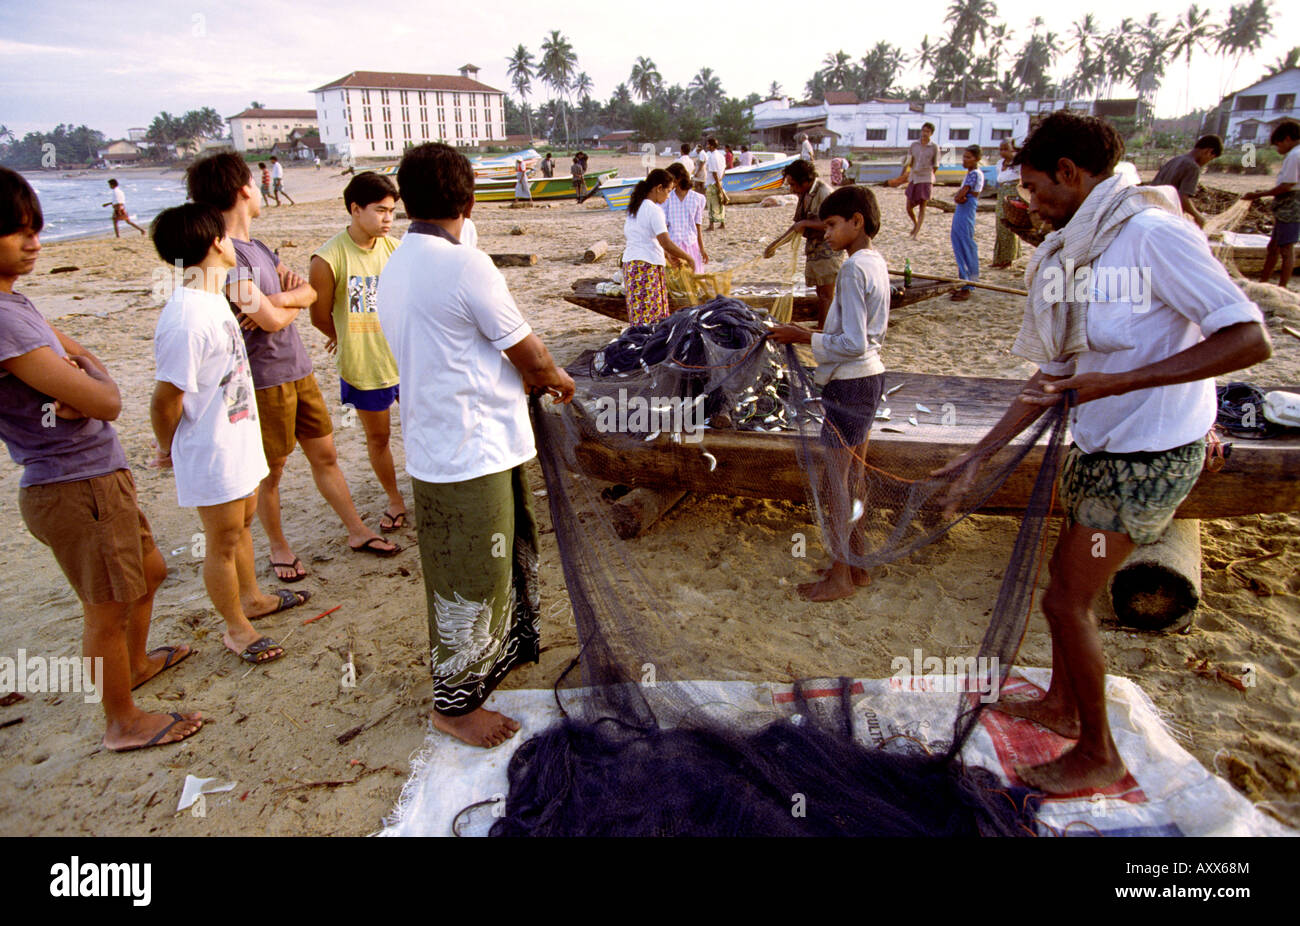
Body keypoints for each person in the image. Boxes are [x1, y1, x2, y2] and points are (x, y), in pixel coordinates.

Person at [933, 111, 1271, 794]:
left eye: (1032, 188)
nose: (1027, 204)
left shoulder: (1152, 234)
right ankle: (1060, 707)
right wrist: (971, 460)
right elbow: (1050, 378)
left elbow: (1249, 337)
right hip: (1103, 443)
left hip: (1148, 454)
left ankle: (1100, 754)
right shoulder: (1079, 247)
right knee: (1064, 581)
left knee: (1066, 600)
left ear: (1069, 173)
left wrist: (1119, 381)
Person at [376, 142, 576, 748]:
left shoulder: (398, 262)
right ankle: (453, 707)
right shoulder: (468, 265)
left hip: (448, 443)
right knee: (474, 574)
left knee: (489, 558)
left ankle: (495, 659)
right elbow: (531, 354)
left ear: (406, 202)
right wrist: (559, 379)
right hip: (472, 449)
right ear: (468, 200)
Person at [0, 167, 204, 752]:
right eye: (16, 232)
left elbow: (86, 363)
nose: (34, 242)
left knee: (151, 572)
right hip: (72, 485)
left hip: (96, 477)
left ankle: (135, 665)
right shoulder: (5, 320)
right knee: (106, 607)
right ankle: (121, 721)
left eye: (35, 228)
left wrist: (82, 375)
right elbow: (109, 401)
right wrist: (84, 382)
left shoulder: (19, 303)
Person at [186, 152, 398, 586]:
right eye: (254, 181)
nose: (261, 188)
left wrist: (279, 302)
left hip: (298, 368)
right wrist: (282, 305)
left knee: (326, 455)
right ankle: (279, 547)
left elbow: (305, 295)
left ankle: (357, 531)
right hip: (261, 380)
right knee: (271, 471)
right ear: (244, 189)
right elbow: (269, 320)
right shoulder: (223, 252)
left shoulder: (259, 248)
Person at [150, 203, 306, 671]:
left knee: (243, 523)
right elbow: (166, 399)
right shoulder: (186, 316)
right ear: (218, 243)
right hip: (211, 449)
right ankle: (236, 627)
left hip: (238, 437)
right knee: (221, 540)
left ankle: (254, 598)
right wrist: (166, 447)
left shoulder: (213, 298)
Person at [769, 185, 888, 601]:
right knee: (853, 476)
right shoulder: (874, 262)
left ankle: (840, 578)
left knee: (836, 481)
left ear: (857, 221)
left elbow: (853, 342)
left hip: (852, 381)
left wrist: (804, 335)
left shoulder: (853, 269)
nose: (827, 234)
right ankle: (857, 564)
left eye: (834, 225)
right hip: (870, 378)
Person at [309, 171, 407, 534]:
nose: (387, 219)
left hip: (404, 358)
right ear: (355, 209)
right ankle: (395, 498)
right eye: (379, 211)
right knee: (378, 437)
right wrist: (346, 336)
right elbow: (319, 315)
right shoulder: (328, 258)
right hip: (364, 364)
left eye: (391, 212)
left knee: (419, 428)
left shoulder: (397, 249)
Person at [769, 159, 843, 327]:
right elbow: (797, 225)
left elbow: (833, 224)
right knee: (820, 291)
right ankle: (822, 326)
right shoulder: (804, 194)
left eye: (794, 184)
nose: (792, 189)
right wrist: (774, 245)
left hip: (828, 248)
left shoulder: (824, 193)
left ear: (806, 180)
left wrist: (805, 224)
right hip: (814, 248)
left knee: (826, 294)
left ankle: (823, 330)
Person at [622, 168, 693, 326]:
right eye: (668, 191)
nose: (668, 197)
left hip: (632, 265)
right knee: (651, 316)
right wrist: (688, 258)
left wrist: (668, 255)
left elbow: (646, 237)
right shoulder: (654, 210)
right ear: (658, 188)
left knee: (640, 316)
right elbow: (665, 242)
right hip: (646, 267)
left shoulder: (636, 206)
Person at [1243, 120, 1299, 287]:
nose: (1278, 149)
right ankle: (1263, 282)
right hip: (1289, 205)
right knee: (1273, 246)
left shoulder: (1295, 155)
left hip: (1292, 205)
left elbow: (1287, 185)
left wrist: (1259, 194)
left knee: (1286, 250)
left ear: (1287, 139)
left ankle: (1282, 288)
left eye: (1278, 145)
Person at [1150, 135, 1223, 228]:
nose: (1207, 162)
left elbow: (1153, 185)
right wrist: (1198, 216)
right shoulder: (1193, 167)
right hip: (1167, 217)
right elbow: (1183, 198)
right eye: (1211, 158)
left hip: (1153, 212)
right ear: (1208, 152)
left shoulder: (1175, 160)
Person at [888, 122, 940, 239]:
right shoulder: (914, 145)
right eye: (923, 131)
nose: (925, 133)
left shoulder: (934, 147)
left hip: (926, 178)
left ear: (931, 134)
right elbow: (908, 161)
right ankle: (916, 224)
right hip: (914, 177)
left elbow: (936, 164)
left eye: (927, 131)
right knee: (908, 206)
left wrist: (929, 177)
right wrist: (902, 177)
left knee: (922, 207)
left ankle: (916, 232)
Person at [950, 144, 985, 301]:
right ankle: (964, 280)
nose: (965, 160)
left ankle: (968, 284)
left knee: (964, 243)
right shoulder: (972, 174)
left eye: (968, 157)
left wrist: (960, 196)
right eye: (964, 156)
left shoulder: (974, 174)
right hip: (964, 209)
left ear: (977, 159)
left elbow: (960, 196)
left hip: (965, 210)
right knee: (961, 242)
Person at [664, 162, 708, 272]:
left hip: (691, 244)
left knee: (693, 281)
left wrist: (701, 248)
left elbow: (697, 226)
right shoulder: (667, 199)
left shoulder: (698, 198)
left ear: (678, 179)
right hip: (673, 245)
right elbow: (663, 227)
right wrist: (665, 250)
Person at [991, 138, 1021, 268]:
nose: (1002, 152)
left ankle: (1008, 259)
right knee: (1000, 224)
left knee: (1010, 225)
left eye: (1005, 149)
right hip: (1002, 192)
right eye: (1001, 149)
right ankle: (999, 258)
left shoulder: (1018, 164)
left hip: (1013, 193)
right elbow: (1000, 179)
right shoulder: (999, 163)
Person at [704, 137, 727, 231]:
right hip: (719, 181)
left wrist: (717, 183)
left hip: (713, 183)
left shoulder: (712, 157)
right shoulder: (721, 156)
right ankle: (722, 223)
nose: (707, 146)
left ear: (711, 146)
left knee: (711, 204)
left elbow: (714, 172)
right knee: (720, 202)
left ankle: (711, 225)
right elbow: (724, 170)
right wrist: (720, 181)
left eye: (708, 144)